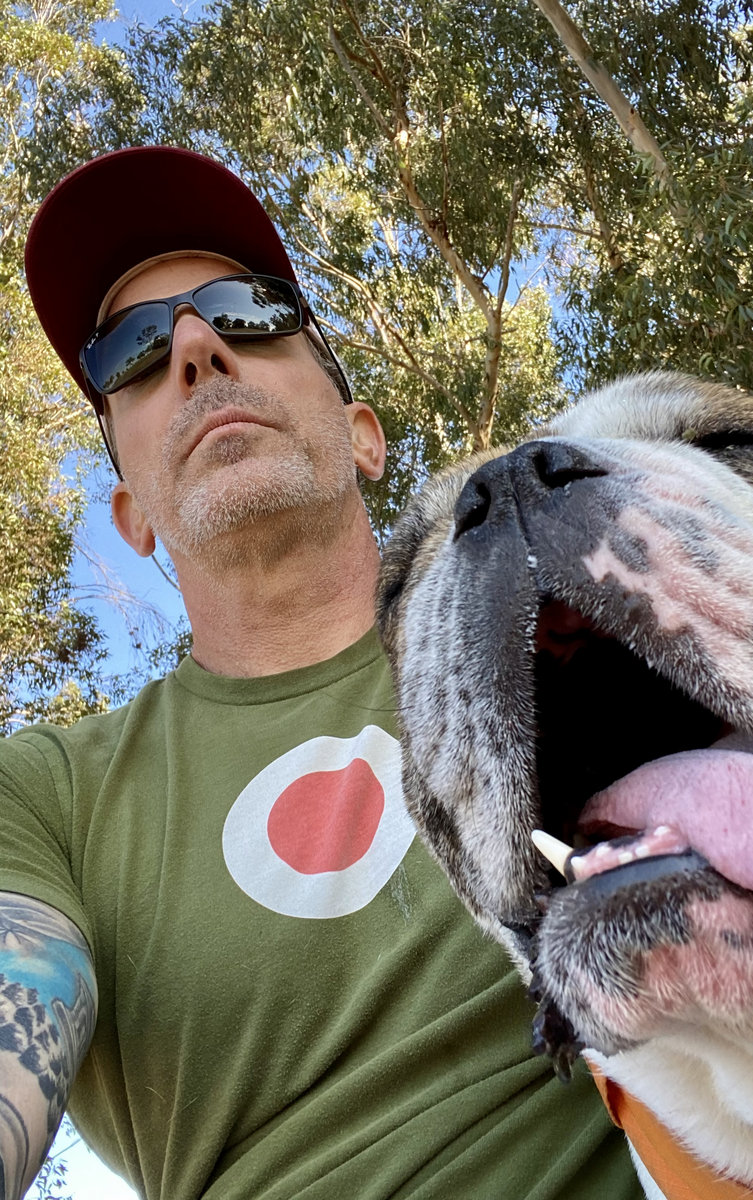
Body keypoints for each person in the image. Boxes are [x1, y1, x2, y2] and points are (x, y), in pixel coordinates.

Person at [0, 146, 641, 1199]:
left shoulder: (565, 630)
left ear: (363, 437)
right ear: (132, 521)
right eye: (132, 352)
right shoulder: (49, 796)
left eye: (249, 309)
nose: (198, 348)